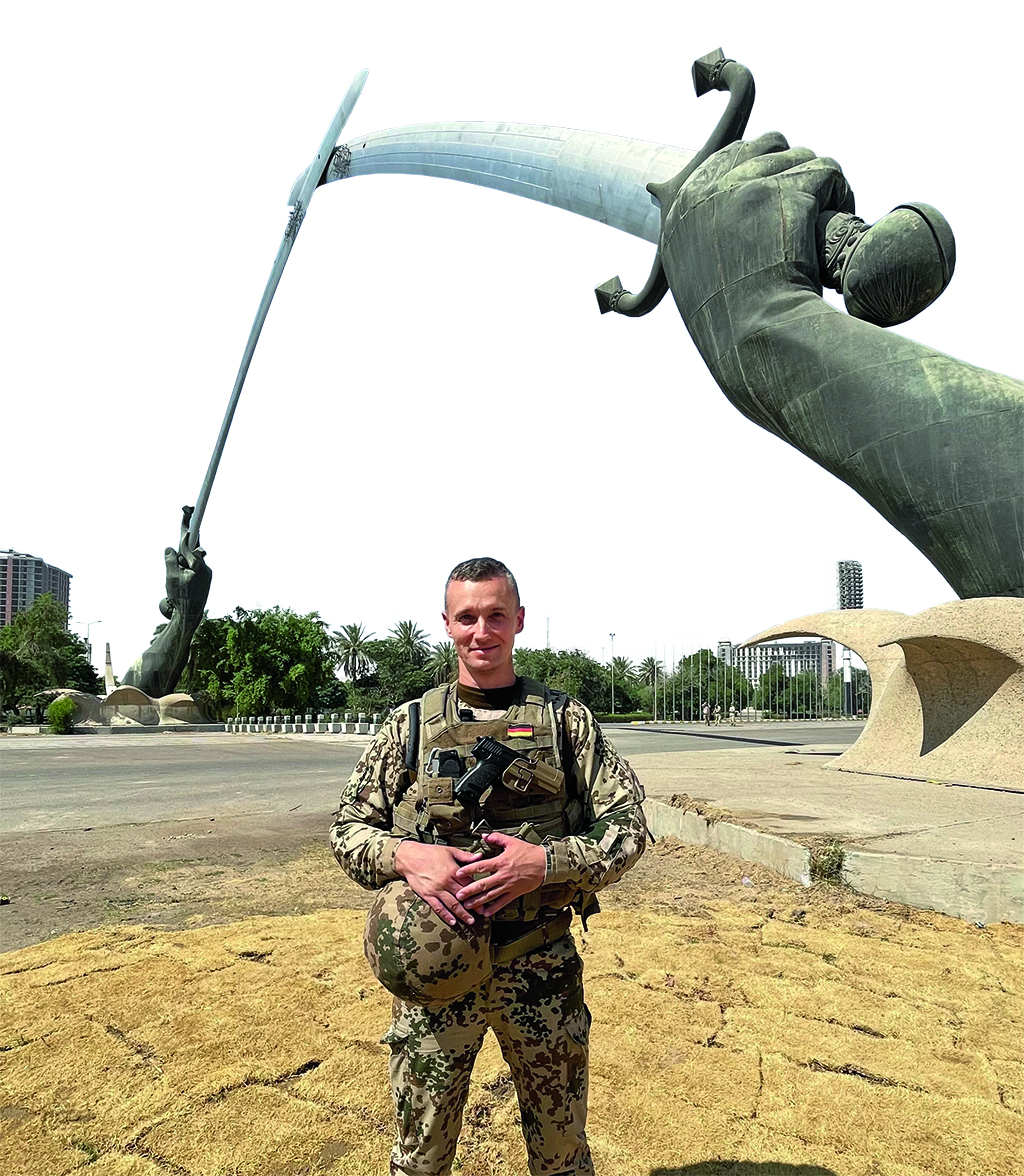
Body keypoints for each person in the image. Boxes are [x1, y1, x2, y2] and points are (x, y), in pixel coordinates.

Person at [330, 557, 649, 1176]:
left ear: (519, 621)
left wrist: (548, 862)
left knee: (561, 1158)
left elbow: (630, 826)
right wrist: (404, 853)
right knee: (420, 1160)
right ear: (446, 624)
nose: (483, 630)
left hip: (541, 969)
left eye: (496, 615)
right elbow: (346, 832)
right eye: (468, 617)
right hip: (436, 980)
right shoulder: (410, 724)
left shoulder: (565, 721)